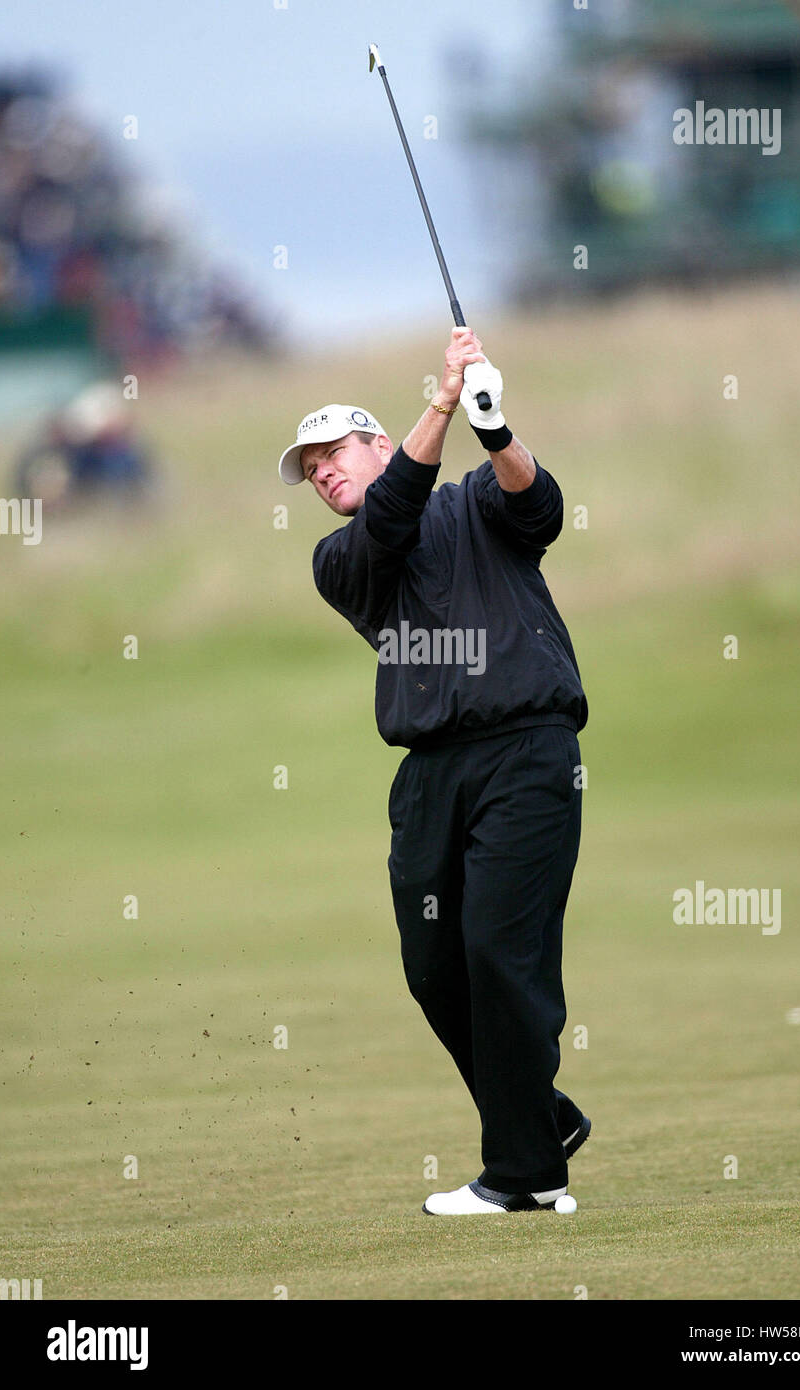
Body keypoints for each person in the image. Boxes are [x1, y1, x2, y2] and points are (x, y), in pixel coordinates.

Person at [278, 327, 590, 1214]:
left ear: (378, 442)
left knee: (500, 951)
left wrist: (492, 426)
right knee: (434, 969)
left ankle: (523, 1177)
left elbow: (540, 510)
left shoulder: (474, 501)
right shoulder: (342, 560)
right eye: (312, 471)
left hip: (527, 755)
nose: (324, 475)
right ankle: (540, 1116)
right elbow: (390, 516)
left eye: (334, 453)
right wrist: (445, 401)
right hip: (427, 778)